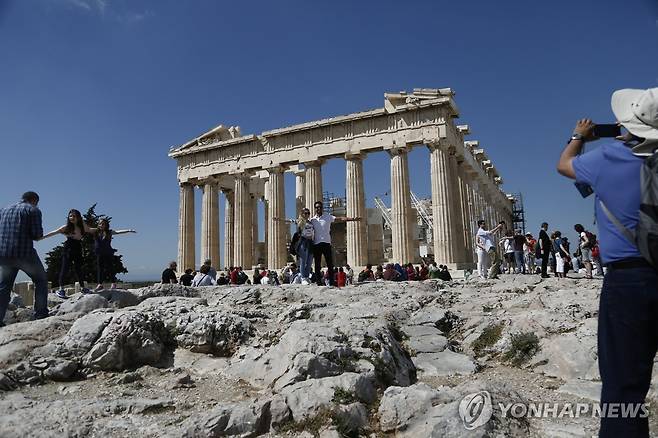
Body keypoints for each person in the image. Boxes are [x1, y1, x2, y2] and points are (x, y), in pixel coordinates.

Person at [556, 87, 658, 437]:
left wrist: (578, 136)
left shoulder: (609, 158)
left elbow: (564, 165)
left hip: (629, 282)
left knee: (623, 390)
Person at [0, 191, 49, 325]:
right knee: (40, 280)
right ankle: (41, 314)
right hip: (24, 253)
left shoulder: (4, 209)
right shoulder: (33, 210)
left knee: (4, 286)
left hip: (4, 254)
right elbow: (37, 235)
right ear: (34, 200)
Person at [41, 209, 98, 297]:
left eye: (74, 216)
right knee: (65, 268)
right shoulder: (66, 227)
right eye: (70, 216)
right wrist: (42, 237)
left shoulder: (82, 225)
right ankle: (61, 289)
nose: (72, 218)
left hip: (78, 247)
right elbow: (54, 232)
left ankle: (83, 287)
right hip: (68, 247)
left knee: (79, 268)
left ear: (78, 217)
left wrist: (102, 229)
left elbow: (90, 230)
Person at [310, 201, 361, 286]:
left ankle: (331, 282)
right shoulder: (312, 220)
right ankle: (318, 282)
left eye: (320, 207)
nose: (318, 208)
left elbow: (340, 219)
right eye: (317, 207)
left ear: (322, 208)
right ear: (315, 209)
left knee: (330, 264)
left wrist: (352, 219)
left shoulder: (327, 216)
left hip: (326, 243)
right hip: (317, 244)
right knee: (317, 265)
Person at [93, 218, 136, 291]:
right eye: (100, 223)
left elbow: (118, 232)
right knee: (100, 269)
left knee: (110, 268)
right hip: (99, 253)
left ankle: (113, 283)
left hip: (108, 252)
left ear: (106, 225)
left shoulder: (109, 232)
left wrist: (128, 230)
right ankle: (100, 284)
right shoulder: (96, 232)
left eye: (103, 224)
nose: (101, 225)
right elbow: (86, 229)